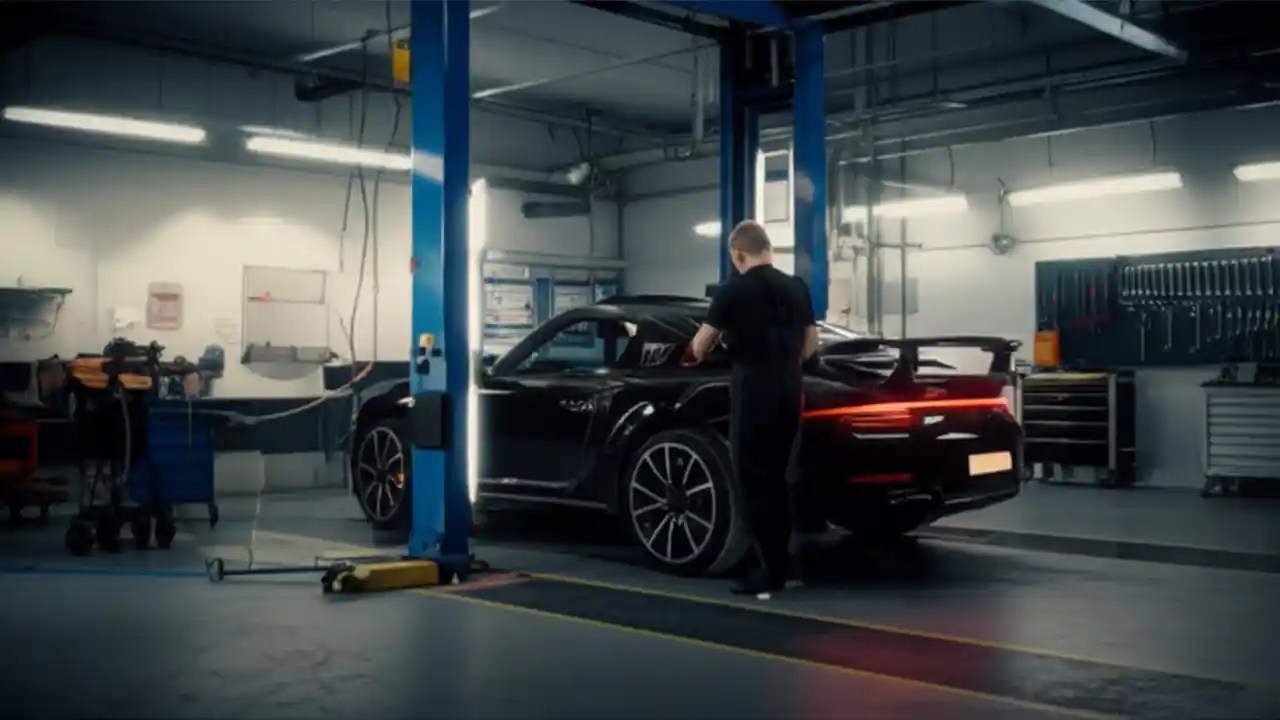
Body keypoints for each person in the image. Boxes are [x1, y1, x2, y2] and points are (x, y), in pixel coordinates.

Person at [687, 220, 820, 596]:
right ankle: (787, 562)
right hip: (790, 387)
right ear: (768, 249)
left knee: (753, 481)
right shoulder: (797, 287)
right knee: (780, 478)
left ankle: (770, 571)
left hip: (753, 388)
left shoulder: (733, 290)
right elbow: (811, 344)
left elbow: (700, 345)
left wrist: (713, 344)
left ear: (738, 253)